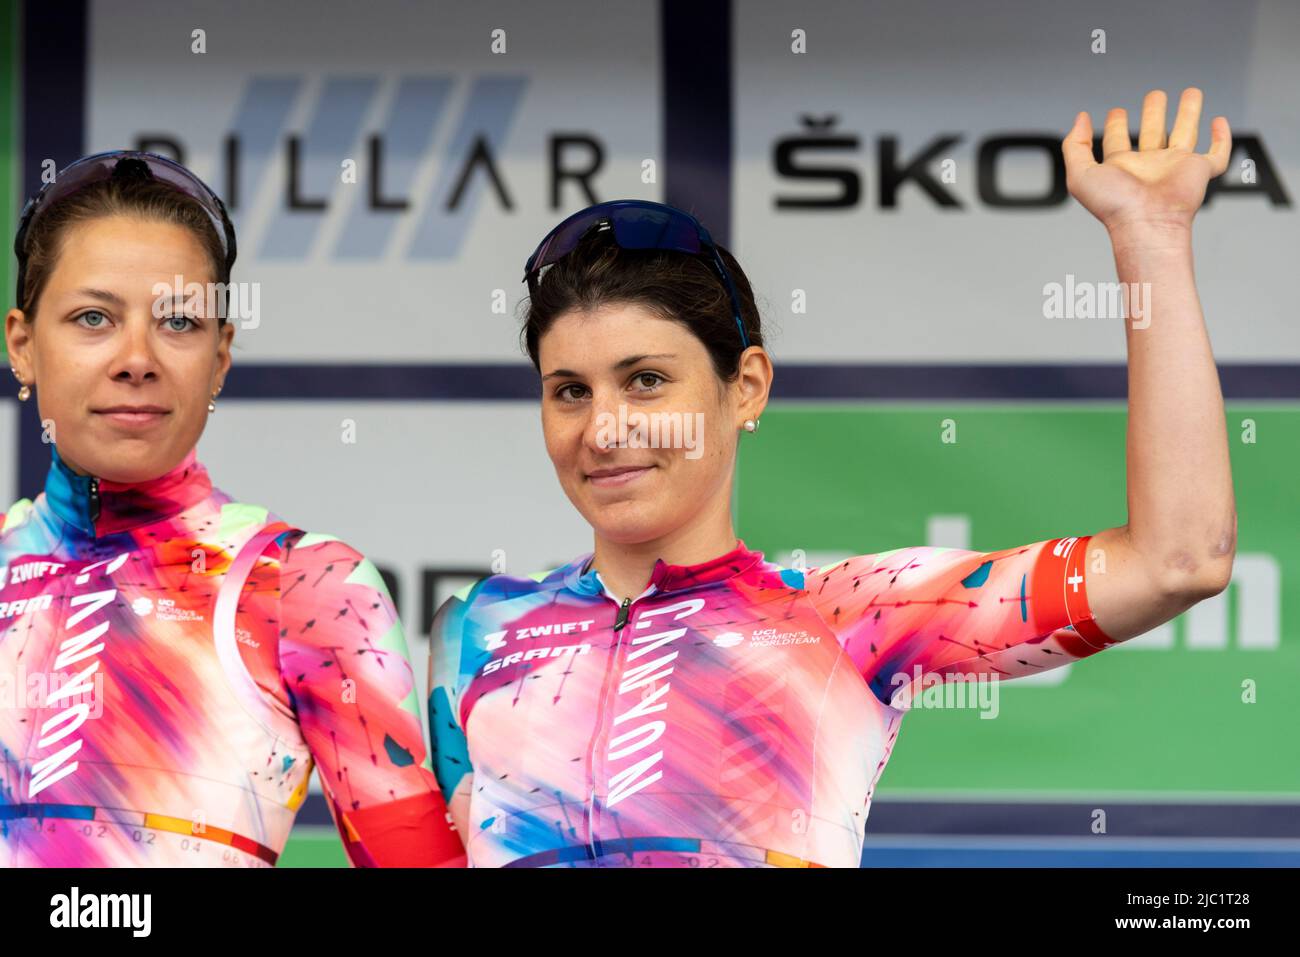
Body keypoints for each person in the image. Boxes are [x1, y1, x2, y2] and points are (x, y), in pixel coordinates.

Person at [427, 88, 1238, 867]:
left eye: (646, 380)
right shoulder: (478, 630)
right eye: (570, 391)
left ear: (746, 387)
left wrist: (1152, 236)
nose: (605, 429)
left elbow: (1178, 560)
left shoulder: (848, 616)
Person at [1, 151, 463, 867]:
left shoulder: (304, 587)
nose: (136, 359)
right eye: (93, 317)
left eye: (178, 321)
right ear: (23, 347)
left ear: (219, 358)